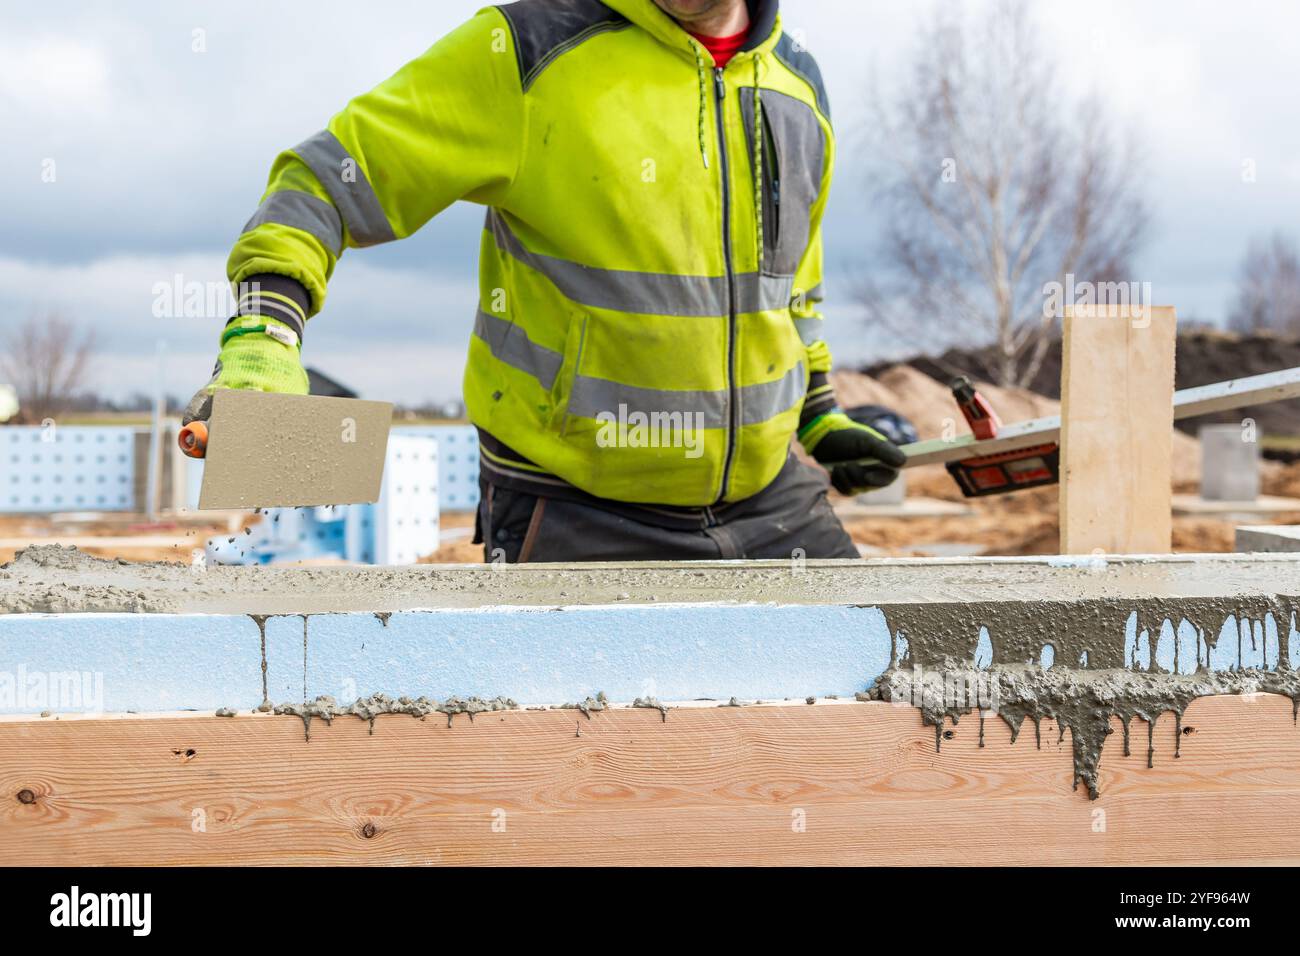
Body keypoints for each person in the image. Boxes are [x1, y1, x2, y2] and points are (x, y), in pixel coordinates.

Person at [183, 0, 906, 562]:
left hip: (772, 505)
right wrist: (263, 338)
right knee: (590, 755)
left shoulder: (799, 84)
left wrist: (819, 413)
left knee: (878, 718)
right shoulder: (525, 49)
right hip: (575, 511)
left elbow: (793, 285)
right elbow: (323, 184)